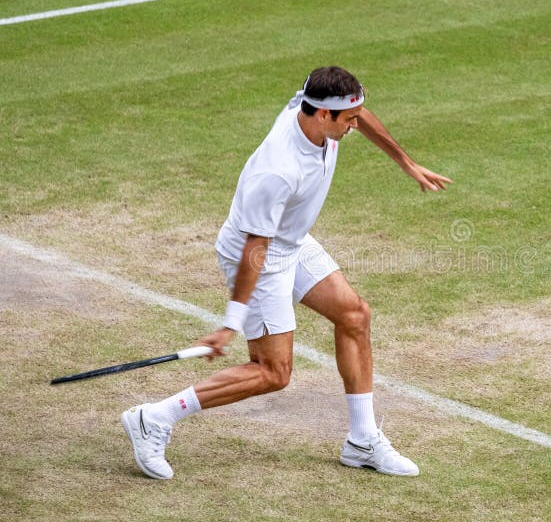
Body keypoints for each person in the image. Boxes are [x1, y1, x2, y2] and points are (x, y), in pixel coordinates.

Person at [121, 66, 452, 479]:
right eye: (347, 120)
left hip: (291, 241)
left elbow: (362, 114)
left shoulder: (318, 106)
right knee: (272, 372)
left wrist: (407, 163)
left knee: (354, 316)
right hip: (261, 256)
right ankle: (154, 417)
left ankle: (363, 441)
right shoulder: (277, 171)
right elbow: (254, 251)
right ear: (322, 116)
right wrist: (230, 324)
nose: (355, 125)